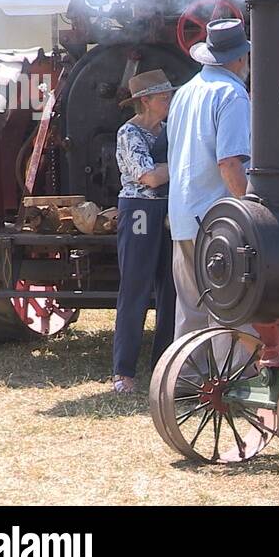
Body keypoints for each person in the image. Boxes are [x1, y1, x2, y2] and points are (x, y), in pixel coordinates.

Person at [167, 19, 253, 340]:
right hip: (220, 221)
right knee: (229, 305)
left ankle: (186, 383)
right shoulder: (232, 94)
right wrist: (251, 211)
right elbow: (230, 163)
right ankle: (232, 383)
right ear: (241, 58)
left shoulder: (184, 92)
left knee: (190, 310)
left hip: (183, 216)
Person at [111, 70, 178, 393]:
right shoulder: (128, 133)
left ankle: (163, 365)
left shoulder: (169, 130)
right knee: (135, 288)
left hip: (169, 210)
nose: (168, 101)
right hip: (139, 211)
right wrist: (180, 167)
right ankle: (123, 371)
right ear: (145, 102)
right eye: (163, 97)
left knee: (171, 288)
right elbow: (148, 177)